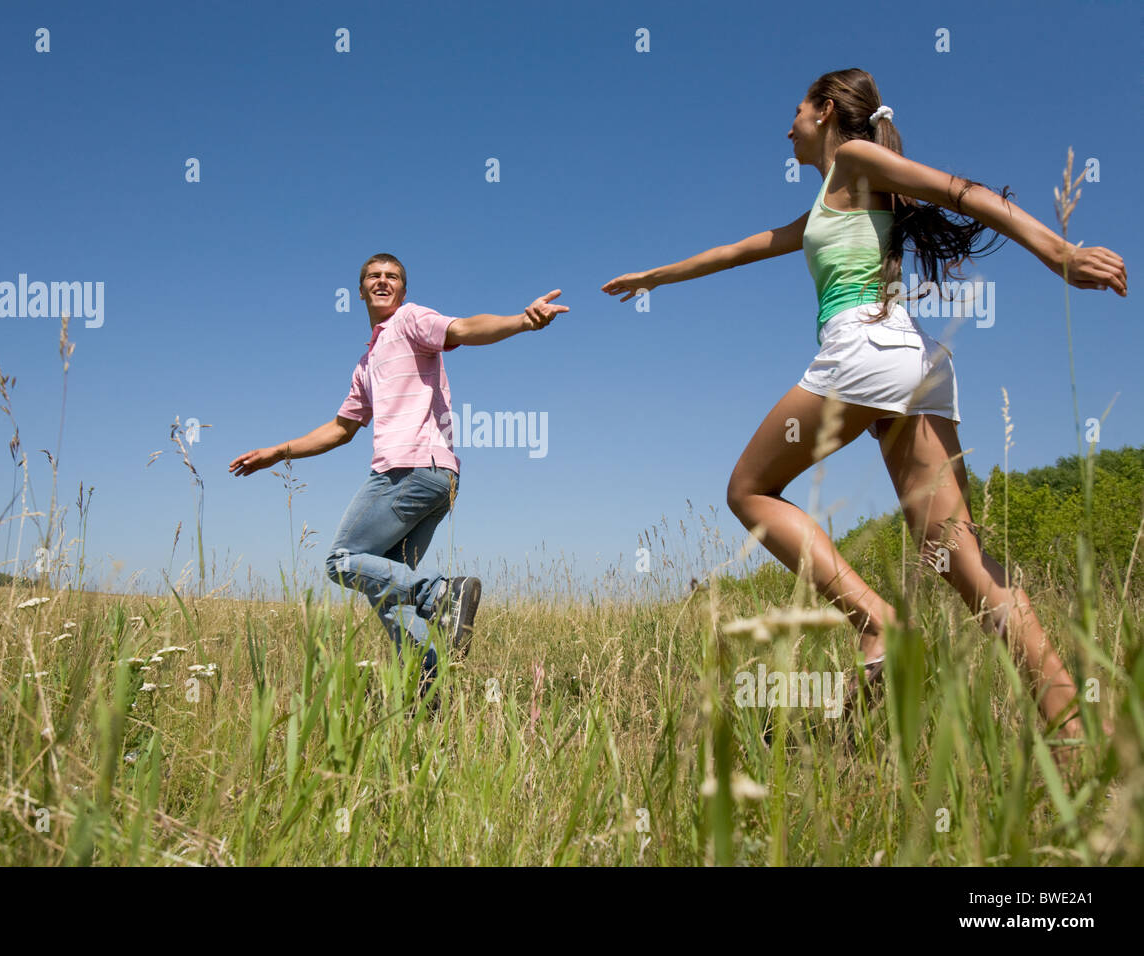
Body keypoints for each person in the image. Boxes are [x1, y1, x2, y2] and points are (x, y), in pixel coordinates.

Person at [602, 69, 1126, 762]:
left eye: (793, 112)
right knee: (957, 555)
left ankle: (877, 620)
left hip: (865, 350)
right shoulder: (831, 197)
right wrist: (653, 278)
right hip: (917, 363)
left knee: (748, 491)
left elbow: (958, 190)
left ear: (824, 112)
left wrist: (1059, 252)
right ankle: (1075, 729)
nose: (785, 127)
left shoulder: (853, 160)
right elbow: (739, 250)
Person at [230, 253, 568, 706]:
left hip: (409, 469)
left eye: (392, 276)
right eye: (374, 276)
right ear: (361, 289)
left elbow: (464, 329)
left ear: (403, 291)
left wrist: (521, 322)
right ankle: (427, 692)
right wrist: (279, 451)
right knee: (386, 590)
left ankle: (442, 592)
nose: (383, 281)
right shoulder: (366, 362)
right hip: (439, 482)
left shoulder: (411, 320)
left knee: (342, 560)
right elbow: (341, 429)